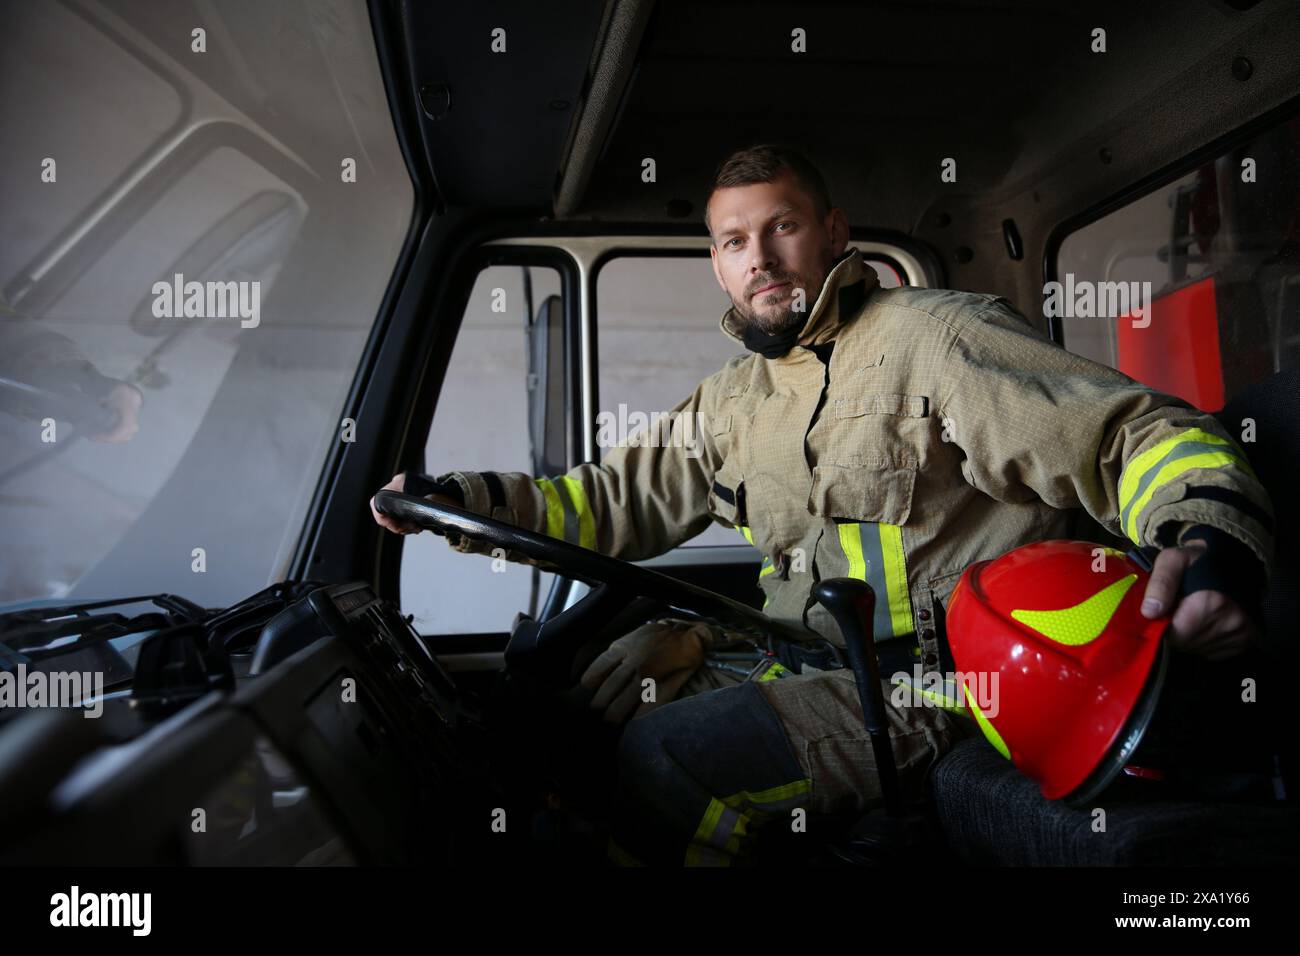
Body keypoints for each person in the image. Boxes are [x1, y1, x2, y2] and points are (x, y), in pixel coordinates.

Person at [371, 145, 1274, 865]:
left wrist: (1207, 537)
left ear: (833, 232)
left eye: (783, 227)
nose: (760, 258)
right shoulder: (733, 402)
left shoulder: (937, 339)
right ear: (717, 268)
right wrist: (462, 499)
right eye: (734, 242)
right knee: (559, 722)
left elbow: (1134, 435)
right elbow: (605, 503)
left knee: (669, 762)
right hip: (802, 665)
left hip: (945, 687)